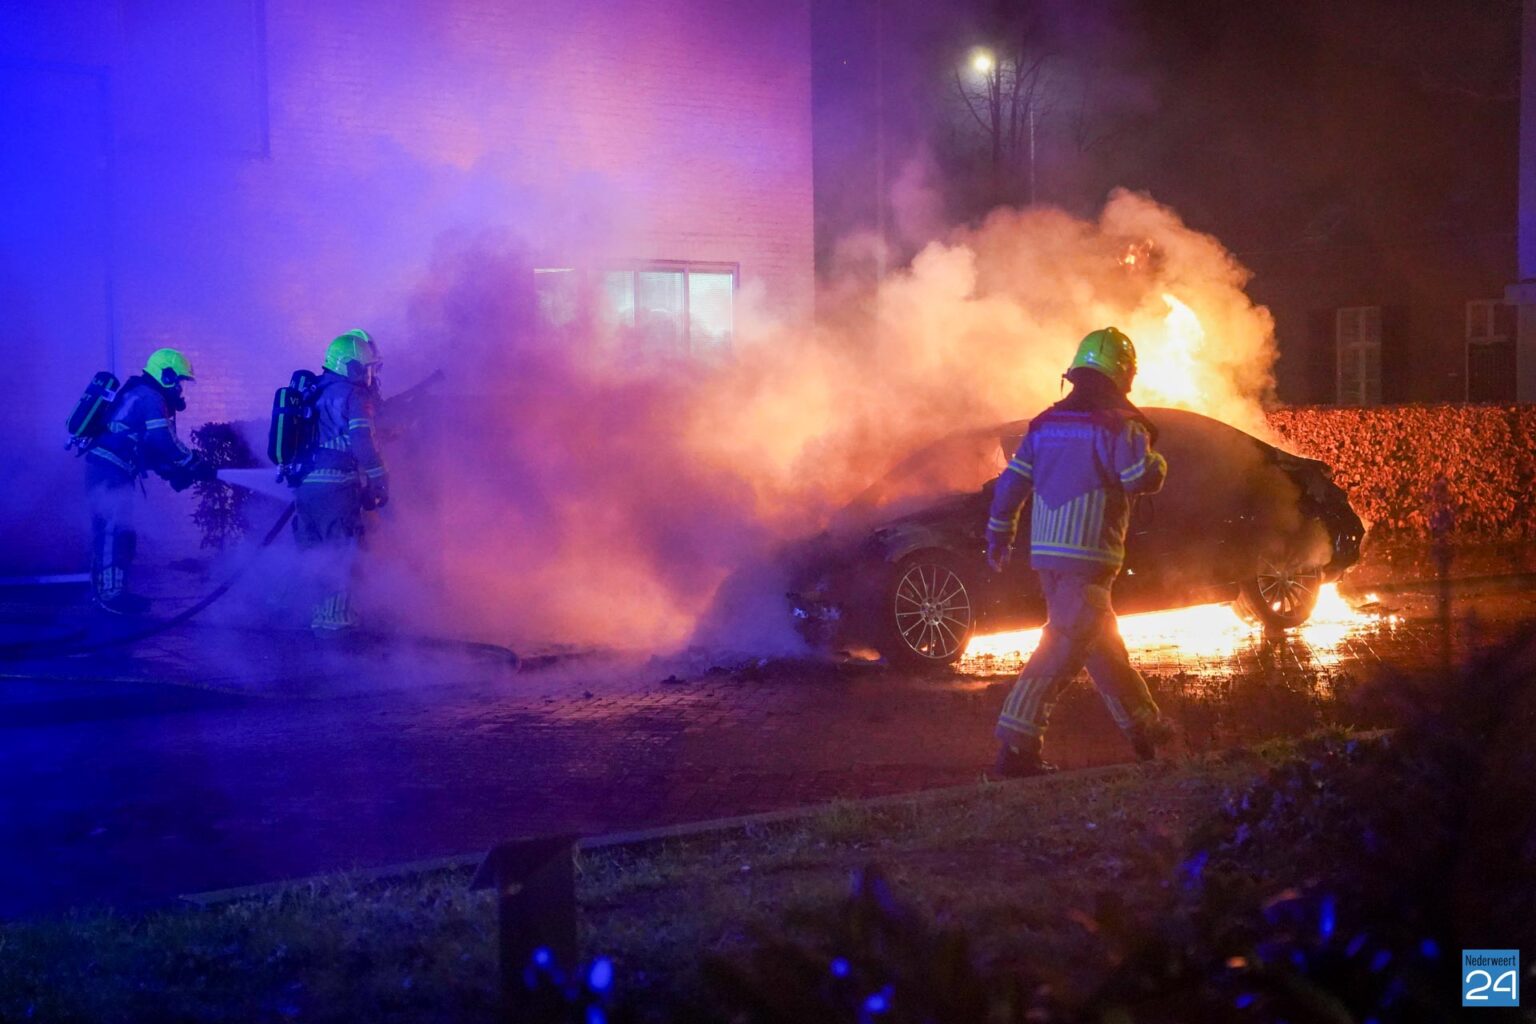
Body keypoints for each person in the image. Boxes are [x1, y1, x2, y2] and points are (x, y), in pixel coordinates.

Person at [984, 327, 1170, 777]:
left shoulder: (1045, 424)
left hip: (1048, 557)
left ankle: (1147, 732)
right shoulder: (1119, 425)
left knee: (1102, 647)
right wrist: (1158, 463)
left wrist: (999, 534)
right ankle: (1016, 747)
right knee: (1062, 647)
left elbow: (1011, 484)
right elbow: (1138, 477)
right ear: (1121, 374)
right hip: (1089, 557)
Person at [85, 347, 215, 614]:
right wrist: (191, 462)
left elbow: (147, 449)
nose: (179, 388)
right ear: (166, 375)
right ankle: (111, 595)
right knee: (113, 530)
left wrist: (173, 472)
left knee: (119, 530)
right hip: (110, 471)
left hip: (110, 470)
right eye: (178, 380)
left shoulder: (141, 394)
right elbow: (161, 440)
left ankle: (108, 591)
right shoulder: (150, 397)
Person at [292, 329, 388, 635]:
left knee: (316, 555)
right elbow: (363, 443)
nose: (369, 374)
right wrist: (379, 479)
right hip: (337, 487)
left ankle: (319, 618)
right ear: (351, 366)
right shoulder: (354, 395)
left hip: (306, 487)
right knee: (342, 553)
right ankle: (336, 625)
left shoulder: (315, 391)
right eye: (366, 367)